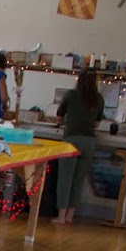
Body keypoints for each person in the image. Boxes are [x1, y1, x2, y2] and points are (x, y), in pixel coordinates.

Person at [52, 69, 103, 226]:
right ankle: (70, 216)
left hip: (71, 140)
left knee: (65, 179)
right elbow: (97, 122)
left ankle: (61, 216)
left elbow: (59, 116)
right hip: (89, 142)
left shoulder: (70, 95)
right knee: (79, 180)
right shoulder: (98, 99)